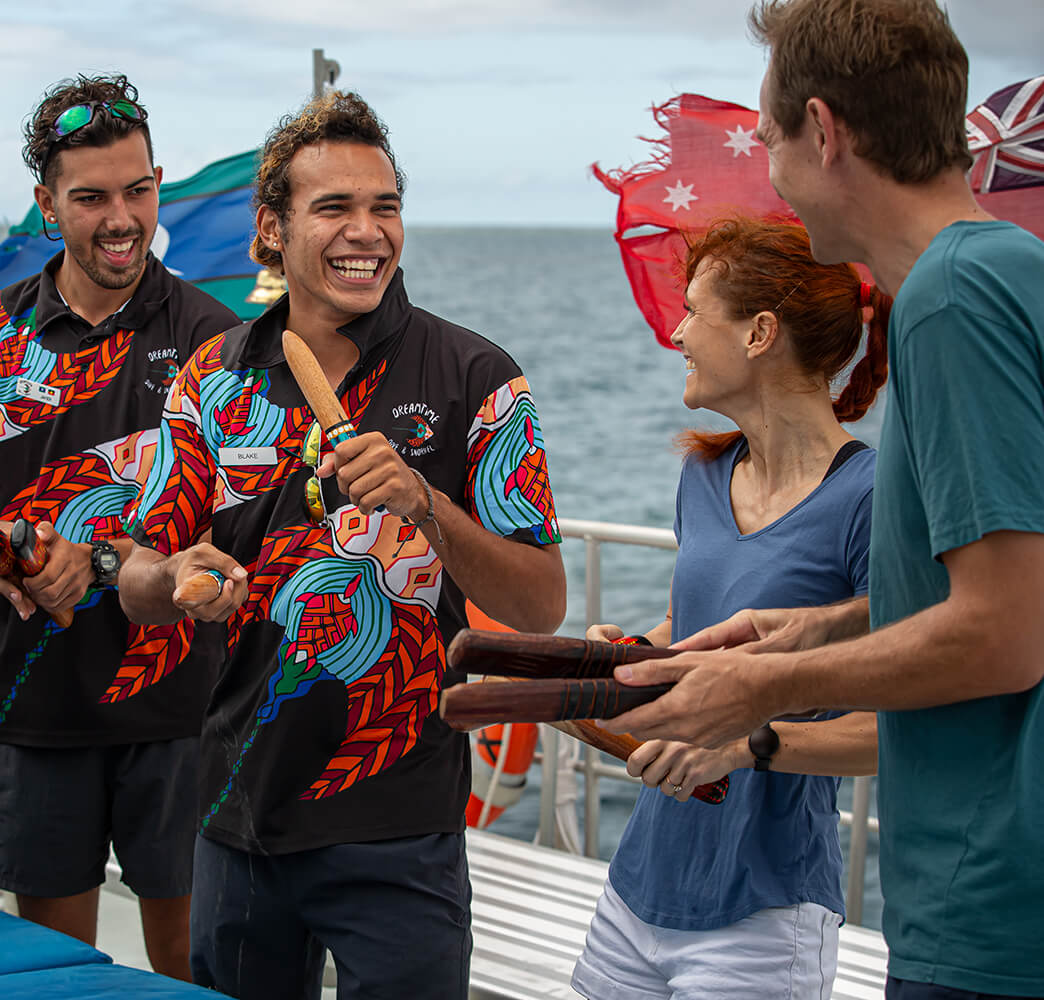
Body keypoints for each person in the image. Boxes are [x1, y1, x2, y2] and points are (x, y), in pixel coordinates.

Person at [605, 2, 1044, 997]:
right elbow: (1005, 581)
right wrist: (804, 633)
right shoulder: (1010, 270)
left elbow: (1008, 632)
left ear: (825, 132)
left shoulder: (952, 295)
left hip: (991, 914)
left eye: (769, 139)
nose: (767, 169)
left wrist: (753, 702)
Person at [117, 91, 568, 1000]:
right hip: (238, 813)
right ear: (273, 230)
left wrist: (428, 507)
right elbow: (133, 579)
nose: (368, 232)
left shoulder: (477, 377)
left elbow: (540, 604)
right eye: (334, 208)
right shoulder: (213, 376)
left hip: (402, 826)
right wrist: (175, 577)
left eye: (385, 207)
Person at [0, 74, 237, 979]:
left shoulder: (221, 341)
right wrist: (0, 545)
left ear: (158, 184)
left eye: (137, 190)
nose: (120, 217)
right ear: (47, 205)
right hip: (31, 701)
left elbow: (242, 528)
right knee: (55, 973)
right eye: (90, 197)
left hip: (181, 706)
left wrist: (109, 558)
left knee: (189, 968)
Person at [569, 218, 887, 999]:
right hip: (638, 883)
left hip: (764, 910)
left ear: (759, 333)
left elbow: (899, 727)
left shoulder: (870, 499)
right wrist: (630, 656)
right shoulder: (704, 478)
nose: (675, 332)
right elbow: (691, 632)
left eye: (693, 312)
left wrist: (747, 745)